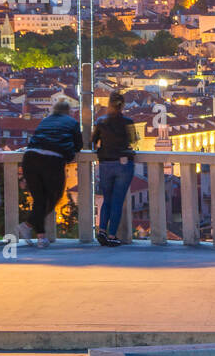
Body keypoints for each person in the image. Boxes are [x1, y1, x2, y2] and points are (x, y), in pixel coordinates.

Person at [17, 98, 83, 247]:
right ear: (68, 111)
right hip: (51, 160)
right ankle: (28, 225)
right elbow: (78, 145)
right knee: (54, 196)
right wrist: (69, 153)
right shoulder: (72, 123)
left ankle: (41, 237)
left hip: (30, 158)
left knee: (39, 199)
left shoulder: (45, 120)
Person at [92, 91, 139, 247]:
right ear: (122, 106)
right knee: (117, 201)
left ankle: (102, 232)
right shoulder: (128, 122)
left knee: (107, 200)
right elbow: (133, 140)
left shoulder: (101, 121)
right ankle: (112, 235)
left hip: (105, 163)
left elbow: (93, 141)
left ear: (109, 104)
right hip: (123, 164)